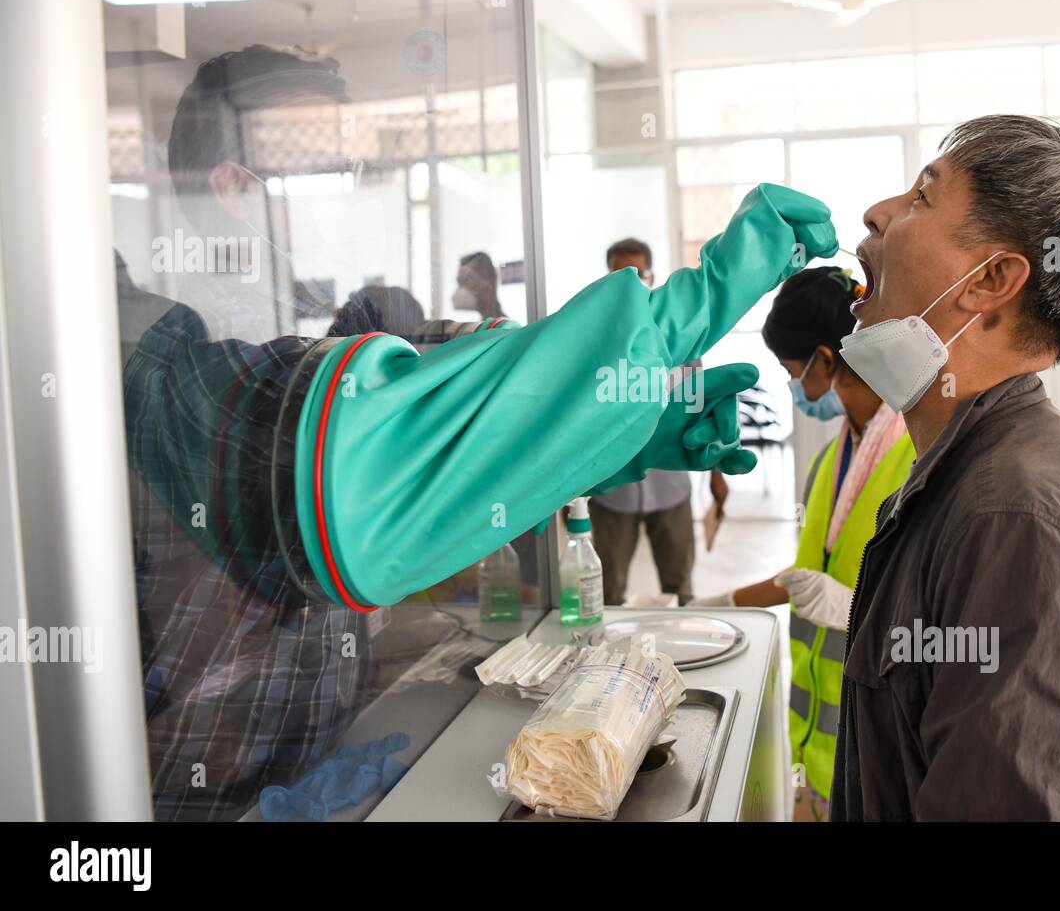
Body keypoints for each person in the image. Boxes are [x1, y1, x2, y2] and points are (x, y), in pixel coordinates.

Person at [120, 44, 838, 818]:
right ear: (234, 188)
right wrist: (686, 308)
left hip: (306, 757)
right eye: (338, 170)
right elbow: (371, 480)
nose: (363, 190)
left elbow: (481, 401)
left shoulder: (307, 332)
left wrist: (619, 435)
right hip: (202, 793)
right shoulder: (180, 366)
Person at [831, 114, 1060, 820]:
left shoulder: (1014, 519)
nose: (877, 212)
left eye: (922, 197)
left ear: (990, 280)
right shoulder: (968, 471)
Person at [691, 267, 914, 821]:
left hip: (879, 754)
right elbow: (804, 579)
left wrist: (852, 607)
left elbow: (941, 614)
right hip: (818, 747)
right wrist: (714, 608)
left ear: (825, 359)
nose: (793, 386)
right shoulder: (829, 461)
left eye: (791, 370)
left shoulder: (914, 459)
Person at [588, 238, 729, 605]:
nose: (631, 283)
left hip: (670, 487)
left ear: (651, 275)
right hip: (610, 489)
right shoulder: (594, 340)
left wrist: (717, 473)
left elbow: (702, 407)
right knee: (606, 592)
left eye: (638, 273)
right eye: (620, 274)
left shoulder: (680, 336)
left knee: (679, 587)